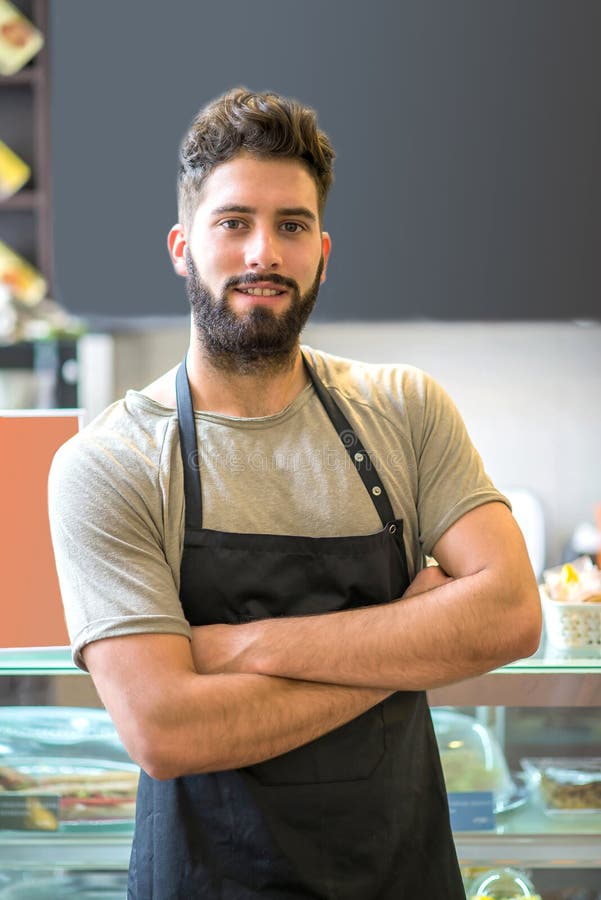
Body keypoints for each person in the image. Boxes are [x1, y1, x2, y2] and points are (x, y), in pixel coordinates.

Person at [48, 87, 542, 899]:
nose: (262, 254)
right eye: (233, 222)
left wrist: (243, 646)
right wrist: (408, 644)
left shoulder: (404, 408)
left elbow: (511, 615)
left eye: (291, 225)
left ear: (322, 249)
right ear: (182, 246)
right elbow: (164, 730)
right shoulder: (112, 463)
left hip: (399, 874)